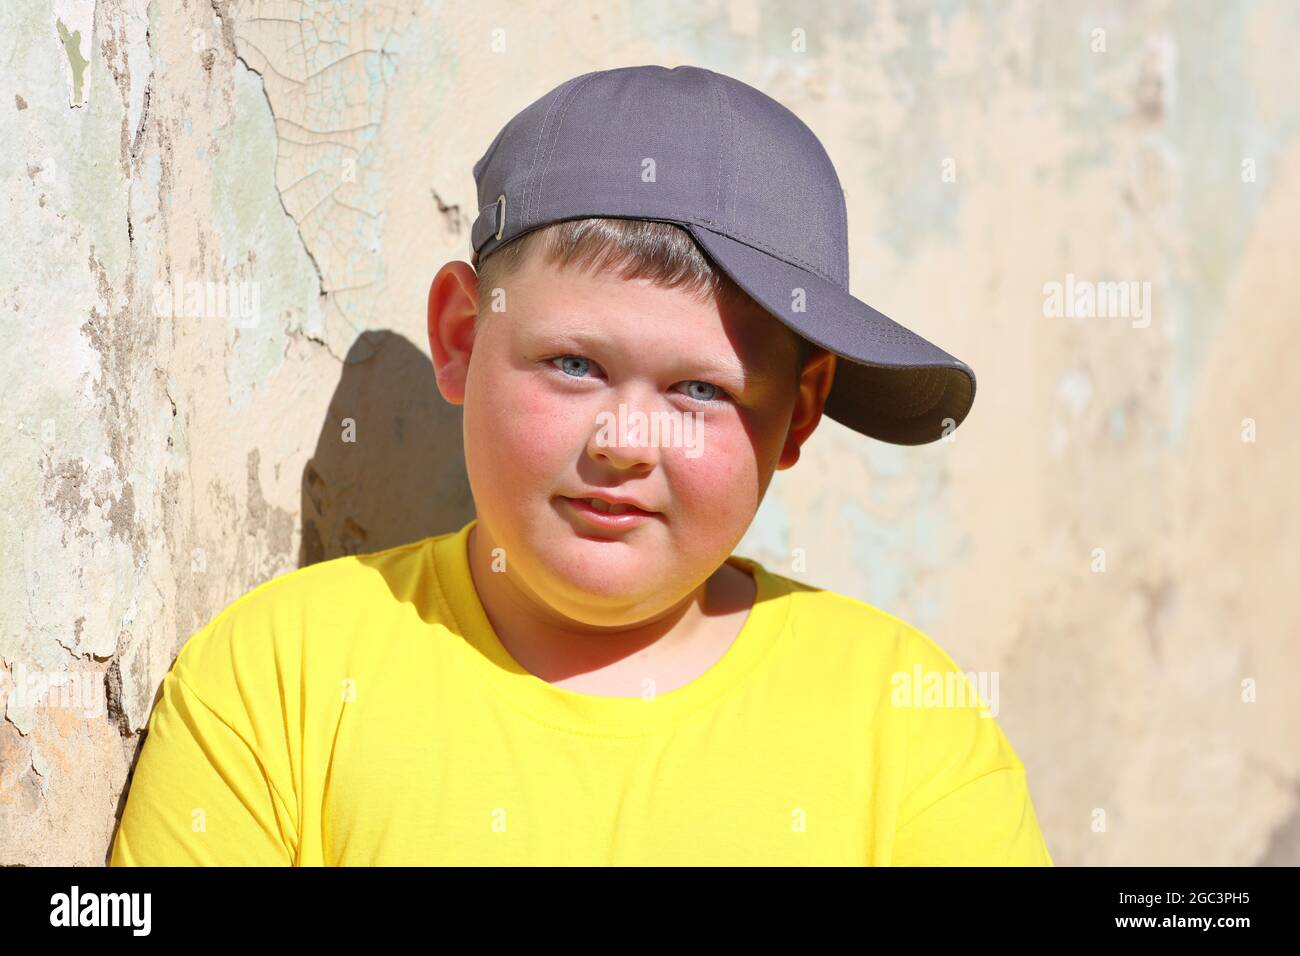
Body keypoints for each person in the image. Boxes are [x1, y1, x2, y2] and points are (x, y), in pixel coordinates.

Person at [110, 65, 1051, 866]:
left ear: (798, 413)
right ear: (462, 337)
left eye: (702, 391)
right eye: (574, 365)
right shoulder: (277, 682)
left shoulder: (903, 719)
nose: (625, 442)